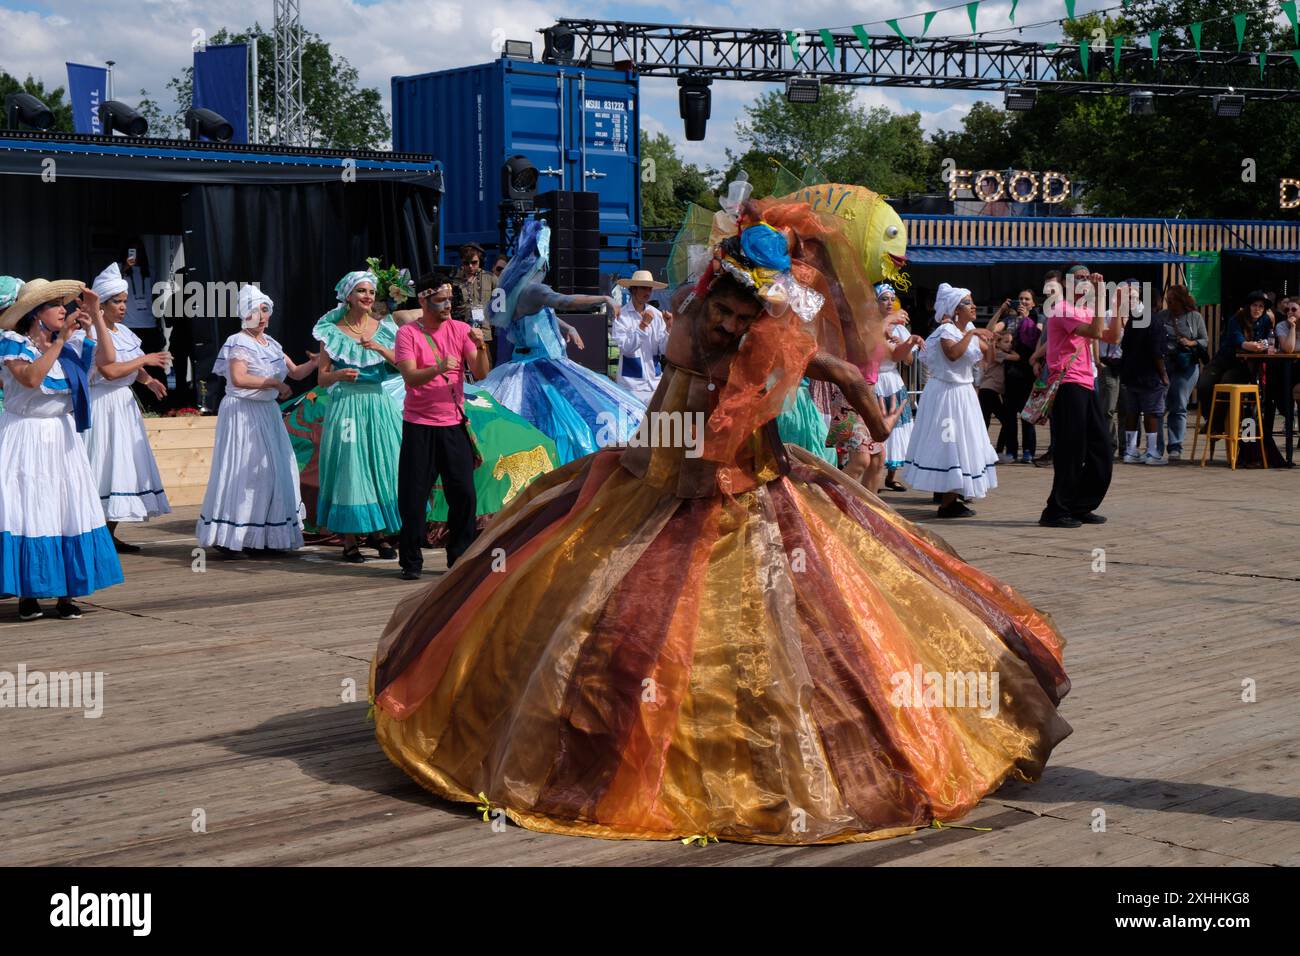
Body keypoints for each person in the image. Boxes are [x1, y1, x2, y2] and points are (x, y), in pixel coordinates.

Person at [369, 199, 1071, 845]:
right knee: (597, 614)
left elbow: (842, 370)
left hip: (750, 487)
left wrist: (875, 415)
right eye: (725, 314)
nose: (731, 326)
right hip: (661, 482)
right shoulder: (686, 325)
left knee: (802, 626)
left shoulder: (769, 338)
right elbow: (686, 408)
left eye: (745, 318)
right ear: (711, 297)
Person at [0, 278, 123, 620]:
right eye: (56, 306)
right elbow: (30, 379)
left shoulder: (69, 346)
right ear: (36, 315)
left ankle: (67, 594)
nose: (64, 310)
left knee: (67, 508)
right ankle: (29, 595)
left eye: (65, 305)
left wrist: (96, 316)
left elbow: (109, 362)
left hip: (62, 437)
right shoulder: (13, 343)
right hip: (25, 435)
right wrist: (61, 341)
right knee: (29, 509)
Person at [476, 218, 645, 464]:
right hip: (542, 365)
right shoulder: (534, 290)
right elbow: (563, 301)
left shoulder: (516, 292)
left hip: (520, 362)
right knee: (560, 418)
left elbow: (540, 316)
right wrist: (603, 299)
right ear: (541, 262)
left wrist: (568, 326)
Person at [196, 286, 317, 556]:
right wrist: (273, 382)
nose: (261, 316)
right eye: (254, 311)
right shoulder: (238, 341)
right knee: (244, 470)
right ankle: (231, 536)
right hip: (243, 412)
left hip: (266, 413)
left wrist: (319, 360)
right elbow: (238, 378)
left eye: (264, 310)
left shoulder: (271, 343)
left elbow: (296, 373)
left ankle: (264, 535)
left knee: (272, 472)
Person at [393, 274, 490, 579]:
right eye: (441, 300)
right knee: (413, 495)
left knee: (463, 493)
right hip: (419, 424)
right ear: (423, 300)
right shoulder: (408, 334)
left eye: (450, 299)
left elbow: (481, 373)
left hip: (453, 424)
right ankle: (410, 561)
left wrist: (481, 346)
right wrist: (437, 367)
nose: (448, 305)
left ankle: (459, 558)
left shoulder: (460, 330)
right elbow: (409, 376)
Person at [311, 270, 402, 563]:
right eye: (361, 291)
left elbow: (403, 367)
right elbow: (322, 379)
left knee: (381, 464)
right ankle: (350, 540)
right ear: (348, 295)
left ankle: (378, 534)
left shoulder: (385, 328)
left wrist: (380, 348)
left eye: (371, 292)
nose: (368, 297)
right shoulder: (331, 332)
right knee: (351, 467)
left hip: (378, 404)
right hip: (347, 405)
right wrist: (338, 374)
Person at [81, 263, 173, 552]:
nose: (123, 307)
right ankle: (93, 533)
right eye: (116, 302)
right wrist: (143, 363)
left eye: (124, 301)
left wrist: (147, 381)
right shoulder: (92, 334)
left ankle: (109, 533)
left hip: (122, 406)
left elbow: (130, 363)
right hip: (102, 406)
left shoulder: (124, 332)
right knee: (102, 465)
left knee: (121, 466)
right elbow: (110, 370)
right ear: (102, 305)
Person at [901, 284, 998, 518]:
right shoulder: (946, 331)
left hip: (963, 393)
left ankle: (953, 495)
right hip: (947, 394)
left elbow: (989, 357)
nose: (973, 306)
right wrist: (973, 334)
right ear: (955, 309)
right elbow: (953, 355)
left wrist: (991, 338)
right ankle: (946, 502)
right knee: (950, 443)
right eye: (967, 302)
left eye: (972, 301)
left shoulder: (967, 330)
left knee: (965, 443)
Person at [1038, 266, 1122, 528]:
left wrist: (1117, 305)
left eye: (1088, 277)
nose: (1086, 281)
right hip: (1067, 383)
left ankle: (1079, 505)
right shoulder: (1061, 308)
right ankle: (1056, 510)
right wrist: (1098, 296)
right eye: (1080, 278)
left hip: (1086, 382)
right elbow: (1097, 333)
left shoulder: (1084, 309)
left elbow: (1113, 336)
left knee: (1102, 448)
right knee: (1070, 449)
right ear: (1066, 283)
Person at [1197, 290, 1272, 433]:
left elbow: (1270, 339)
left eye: (1261, 306)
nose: (1257, 309)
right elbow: (1237, 338)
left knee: (1226, 383)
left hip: (1244, 365)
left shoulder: (1266, 321)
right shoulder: (1237, 318)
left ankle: (1216, 424)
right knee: (1204, 384)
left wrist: (1264, 344)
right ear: (1248, 306)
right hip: (1225, 359)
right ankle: (1211, 419)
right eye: (1254, 305)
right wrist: (1249, 345)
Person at [873, 282, 923, 490]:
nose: (889, 303)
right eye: (884, 299)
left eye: (892, 299)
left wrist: (905, 344)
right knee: (874, 424)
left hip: (892, 378)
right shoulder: (869, 325)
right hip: (874, 379)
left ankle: (891, 475)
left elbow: (909, 360)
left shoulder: (900, 328)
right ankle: (873, 470)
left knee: (897, 424)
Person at [1119, 280, 1169, 465]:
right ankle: (1152, 452)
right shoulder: (1156, 321)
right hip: (1150, 375)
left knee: (1132, 412)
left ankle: (1131, 451)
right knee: (1152, 412)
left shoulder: (1134, 319)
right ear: (1157, 302)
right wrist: (1163, 375)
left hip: (1130, 373)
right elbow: (1157, 352)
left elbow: (1124, 345)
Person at [1158, 284, 1208, 461]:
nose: (1169, 304)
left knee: (1179, 403)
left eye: (1172, 301)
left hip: (1185, 365)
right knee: (1159, 405)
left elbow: (1204, 340)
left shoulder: (1194, 317)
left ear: (1181, 300)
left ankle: (1175, 446)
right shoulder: (1162, 316)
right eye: (1167, 301)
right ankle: (1156, 446)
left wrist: (1190, 342)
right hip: (1164, 364)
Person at [611, 270, 671, 402]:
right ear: (633, 290)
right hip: (630, 387)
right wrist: (643, 326)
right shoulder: (622, 315)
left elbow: (665, 350)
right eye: (644, 288)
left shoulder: (656, 314)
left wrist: (668, 329)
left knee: (654, 422)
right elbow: (627, 349)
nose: (648, 292)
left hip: (654, 385)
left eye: (649, 288)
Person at [1004, 289, 1044, 463]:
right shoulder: (1010, 319)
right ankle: (1011, 450)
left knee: (1027, 414)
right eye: (1020, 299)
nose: (1023, 302)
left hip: (1028, 371)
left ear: (1033, 302)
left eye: (1027, 299)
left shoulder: (1038, 318)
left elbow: (1036, 339)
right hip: (1011, 370)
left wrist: (1026, 318)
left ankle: (1029, 450)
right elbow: (993, 332)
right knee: (1009, 414)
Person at [979, 329, 1022, 463]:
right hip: (988, 391)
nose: (1010, 345)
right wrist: (1010, 350)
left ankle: (986, 452)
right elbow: (1017, 357)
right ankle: (989, 452)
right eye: (1006, 342)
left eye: (1011, 342)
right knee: (1005, 420)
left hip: (989, 391)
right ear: (997, 344)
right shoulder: (998, 353)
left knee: (986, 422)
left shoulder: (998, 352)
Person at [454, 242, 497, 343]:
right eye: (466, 263)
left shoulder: (491, 279)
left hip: (485, 335)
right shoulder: (454, 281)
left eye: (474, 262)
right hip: (462, 335)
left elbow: (501, 308)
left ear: (480, 261)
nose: (470, 266)